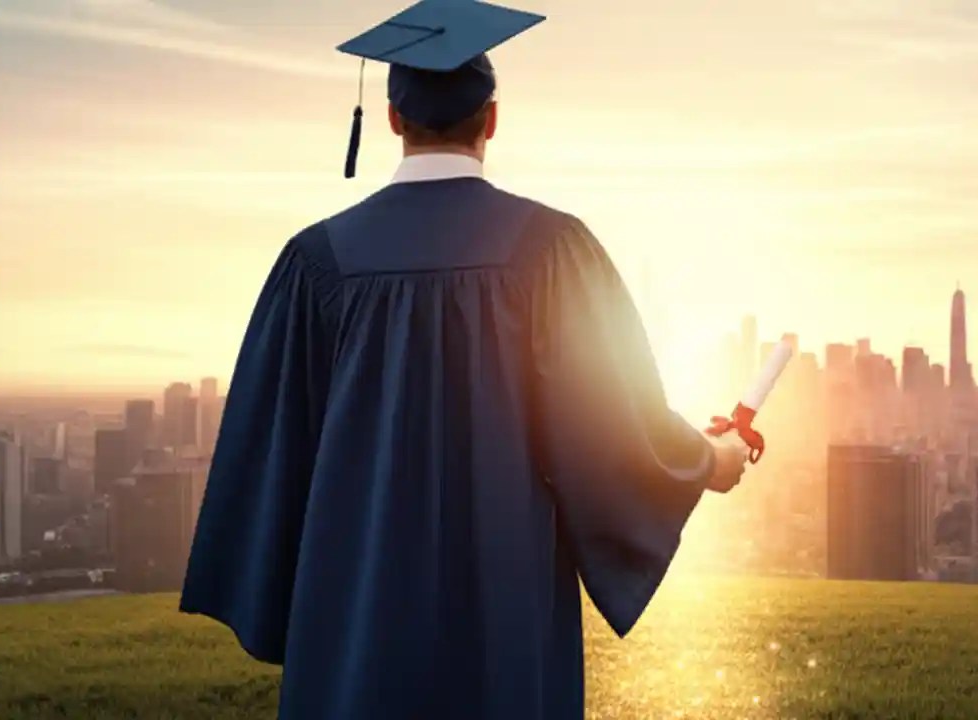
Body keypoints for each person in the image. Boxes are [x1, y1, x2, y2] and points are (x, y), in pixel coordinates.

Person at [178, 1, 749, 718]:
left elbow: (268, 459)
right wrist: (715, 458)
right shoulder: (551, 251)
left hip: (356, 623)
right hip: (502, 618)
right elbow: (616, 433)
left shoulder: (314, 263)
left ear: (391, 121)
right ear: (493, 119)